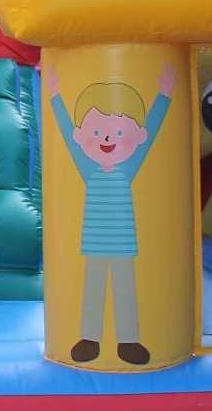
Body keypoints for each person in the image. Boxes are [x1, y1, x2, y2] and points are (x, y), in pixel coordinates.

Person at [45, 64, 176, 365]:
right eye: (97, 132)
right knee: (93, 288)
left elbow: (152, 132)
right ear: (82, 136)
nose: (107, 140)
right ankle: (90, 339)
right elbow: (66, 134)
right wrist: (54, 95)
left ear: (136, 136)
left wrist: (164, 95)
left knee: (124, 289)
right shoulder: (88, 169)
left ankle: (128, 341)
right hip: (94, 243)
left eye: (118, 132)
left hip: (122, 243)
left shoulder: (127, 169)